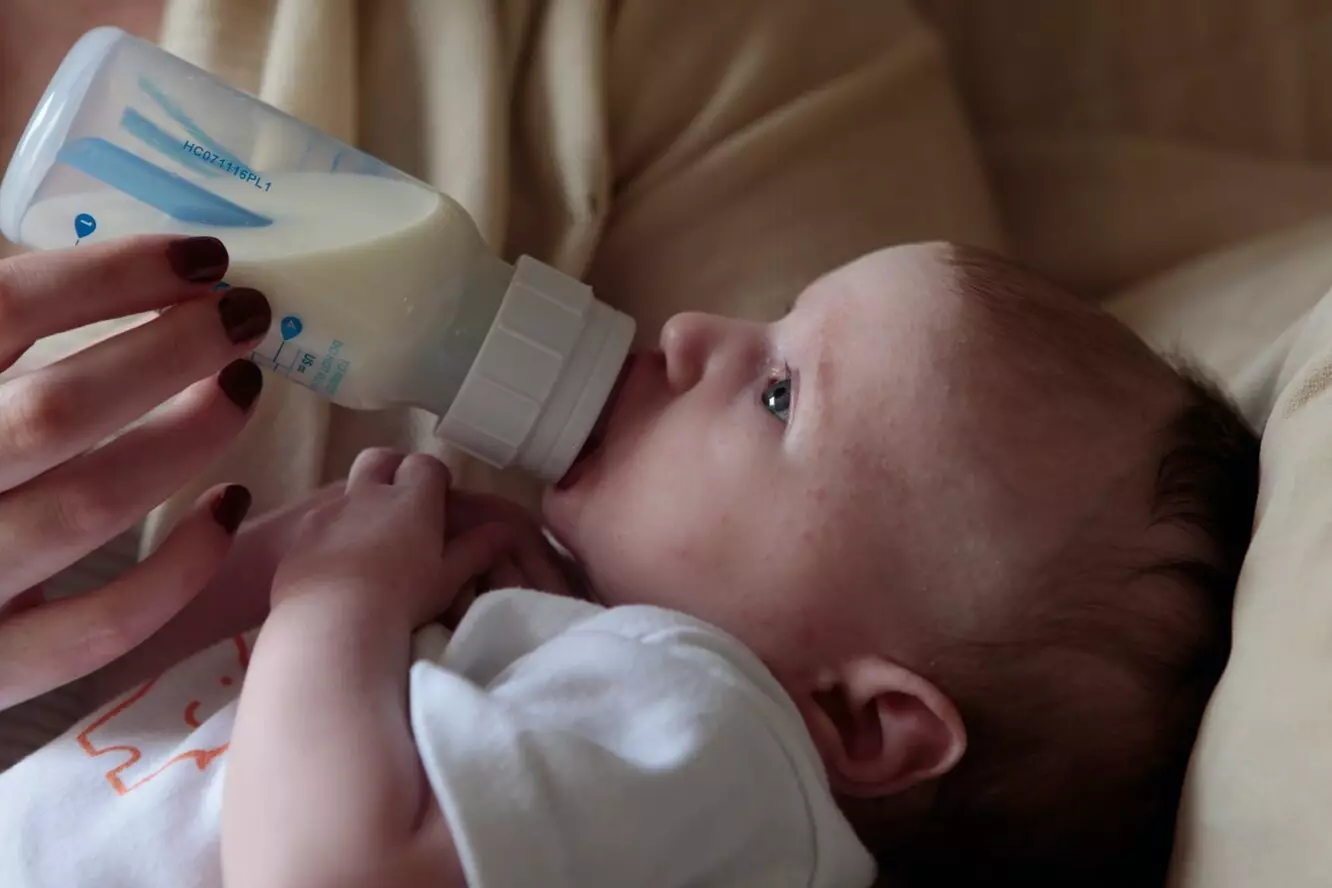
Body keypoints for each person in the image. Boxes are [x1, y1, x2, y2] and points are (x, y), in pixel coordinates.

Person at [0, 242, 1259, 887]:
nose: (696, 329)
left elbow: (327, 874)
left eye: (776, 395)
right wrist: (285, 578)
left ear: (857, 720)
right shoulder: (598, 696)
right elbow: (143, 735)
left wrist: (338, 602)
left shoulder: (728, 747)